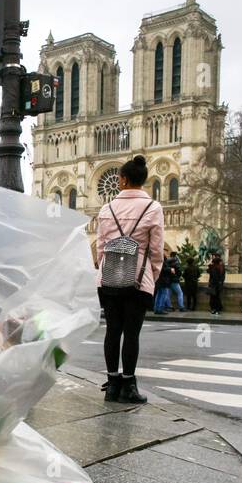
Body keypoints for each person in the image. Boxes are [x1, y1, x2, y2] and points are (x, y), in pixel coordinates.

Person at [92, 154, 165, 403]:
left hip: (109, 278)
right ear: (143, 181)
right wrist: (151, 276)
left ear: (122, 180)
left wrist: (103, 270)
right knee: (131, 334)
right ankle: (129, 386)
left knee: (112, 330)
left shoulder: (106, 208)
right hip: (138, 280)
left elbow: (101, 247)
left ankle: (112, 385)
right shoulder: (153, 208)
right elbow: (156, 250)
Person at [153, 247, 173, 313]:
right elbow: (162, 269)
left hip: (160, 279)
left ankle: (156, 308)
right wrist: (170, 269)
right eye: (165, 252)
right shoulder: (162, 259)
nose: (167, 253)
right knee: (163, 294)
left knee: (159, 294)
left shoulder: (160, 259)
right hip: (163, 280)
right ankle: (160, 309)